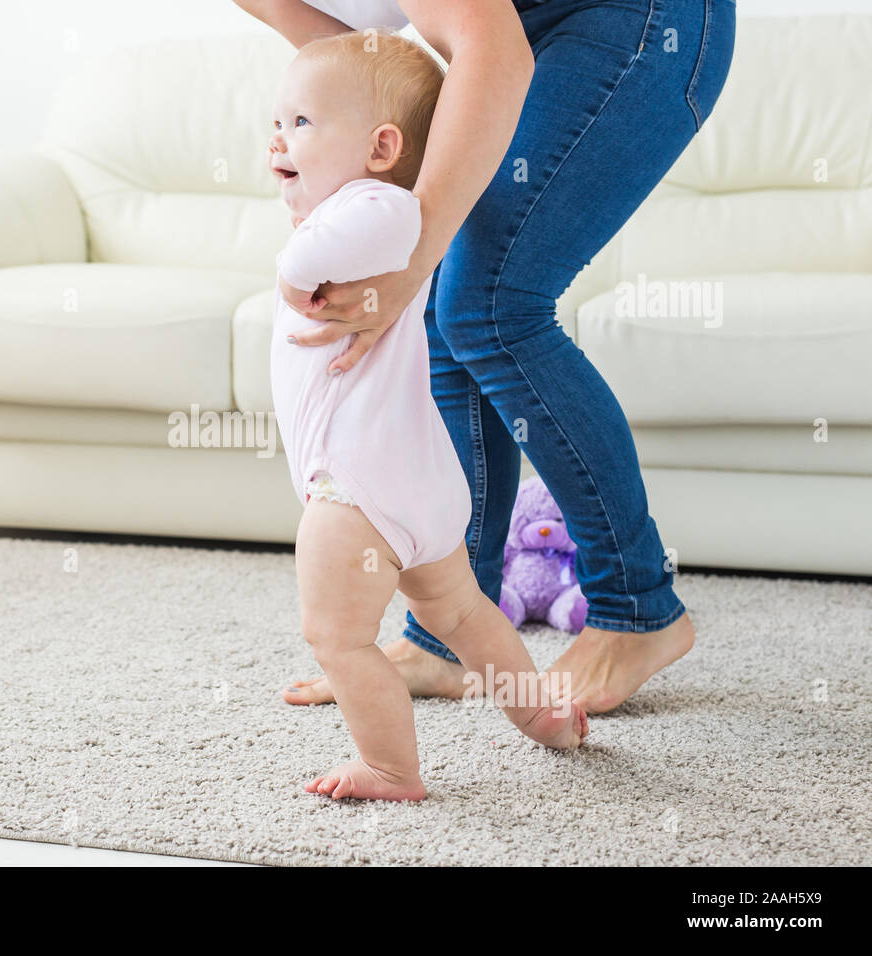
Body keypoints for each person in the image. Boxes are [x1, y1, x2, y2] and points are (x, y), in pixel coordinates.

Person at [234, 0, 735, 715]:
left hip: (635, 19)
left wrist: (412, 251)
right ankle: (446, 638)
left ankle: (636, 610)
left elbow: (487, 42)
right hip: (515, 34)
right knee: (447, 315)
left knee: (488, 305)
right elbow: (359, 77)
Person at [270, 30, 587, 802]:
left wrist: (295, 262)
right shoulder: (370, 212)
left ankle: (390, 767)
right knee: (462, 612)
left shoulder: (378, 207)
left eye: (302, 124)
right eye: (274, 124)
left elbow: (303, 268)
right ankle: (540, 713)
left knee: (337, 636)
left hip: (355, 491)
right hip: (411, 480)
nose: (278, 138)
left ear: (382, 146)